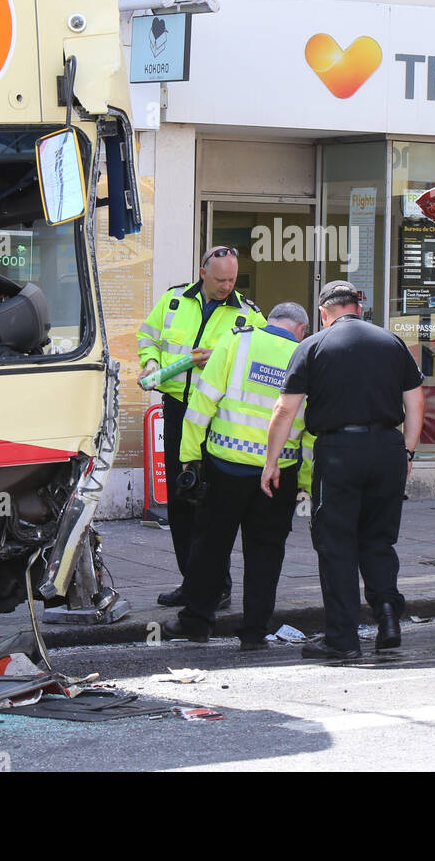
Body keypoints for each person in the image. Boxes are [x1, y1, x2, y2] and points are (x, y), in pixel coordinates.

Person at [262, 280, 424, 659]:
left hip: (338, 451)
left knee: (337, 545)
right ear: (358, 308)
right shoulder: (391, 342)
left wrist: (271, 462)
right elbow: (416, 402)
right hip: (387, 449)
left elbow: (285, 410)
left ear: (323, 313)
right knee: (378, 540)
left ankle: (342, 639)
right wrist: (409, 453)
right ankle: (387, 617)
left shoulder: (313, 346)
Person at [159, 302, 314, 651]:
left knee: (210, 547)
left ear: (270, 321)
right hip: (279, 474)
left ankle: (196, 621)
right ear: (300, 329)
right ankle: (254, 632)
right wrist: (304, 481)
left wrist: (189, 457)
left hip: (225, 467)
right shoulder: (306, 356)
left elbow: (203, 403)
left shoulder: (237, 342)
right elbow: (309, 431)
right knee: (266, 554)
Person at [137, 246, 265, 607]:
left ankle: (217, 585)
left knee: (213, 502)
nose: (227, 286)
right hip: (177, 409)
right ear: (203, 272)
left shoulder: (248, 314)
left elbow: (257, 365)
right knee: (182, 498)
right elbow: (148, 337)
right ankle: (192, 582)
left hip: (216, 417)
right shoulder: (174, 300)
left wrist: (219, 361)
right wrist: (149, 363)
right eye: (221, 279)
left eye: (233, 279)